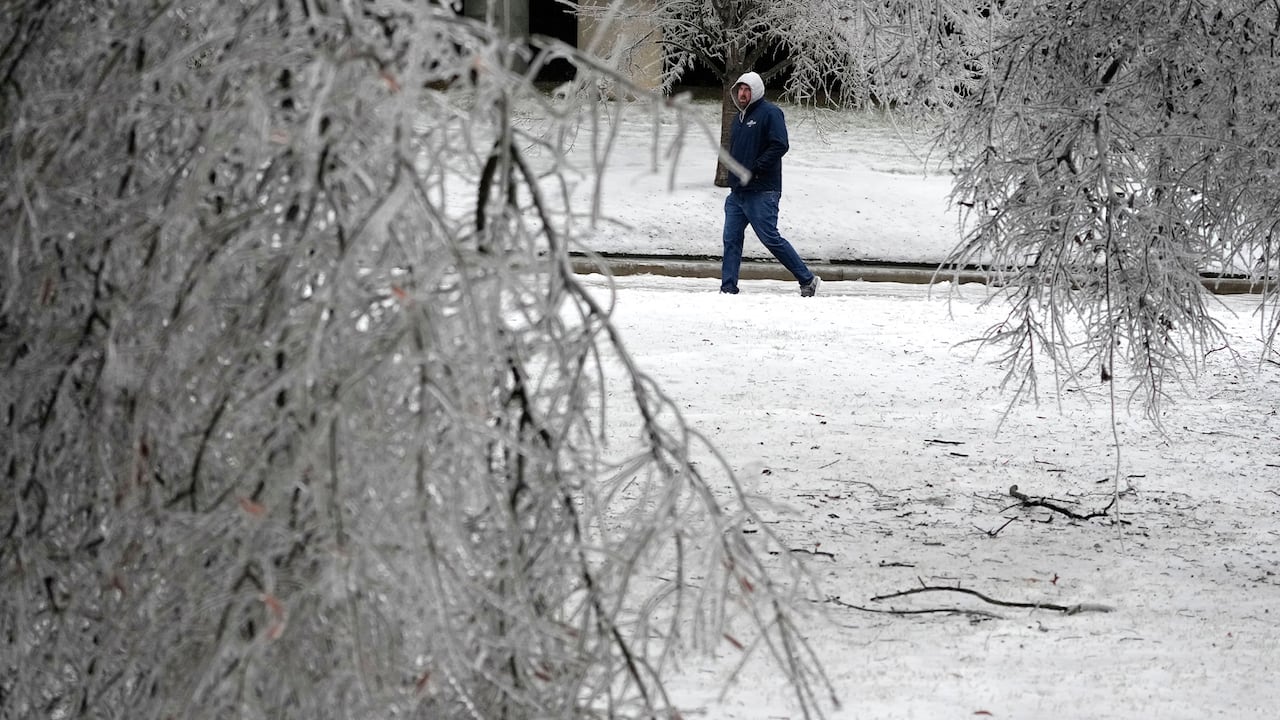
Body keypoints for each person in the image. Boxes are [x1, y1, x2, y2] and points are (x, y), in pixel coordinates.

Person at [720, 71, 820, 297]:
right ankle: (727, 289)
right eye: (740, 90)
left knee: (770, 238)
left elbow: (780, 145)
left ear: (756, 91)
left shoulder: (770, 113)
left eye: (747, 89)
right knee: (731, 239)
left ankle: (807, 279)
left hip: (763, 190)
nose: (743, 94)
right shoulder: (739, 119)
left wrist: (755, 168)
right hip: (738, 193)